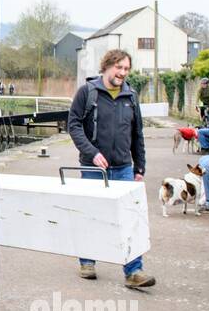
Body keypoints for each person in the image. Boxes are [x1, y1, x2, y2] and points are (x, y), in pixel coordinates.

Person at [66, 48, 155, 289]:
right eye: (119, 68)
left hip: (124, 167)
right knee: (90, 215)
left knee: (129, 218)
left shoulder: (131, 96)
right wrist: (92, 153)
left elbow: (137, 134)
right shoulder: (87, 92)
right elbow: (73, 126)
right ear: (107, 66)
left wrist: (140, 168)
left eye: (126, 69)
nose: (122, 73)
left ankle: (134, 271)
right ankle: (87, 262)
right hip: (93, 168)